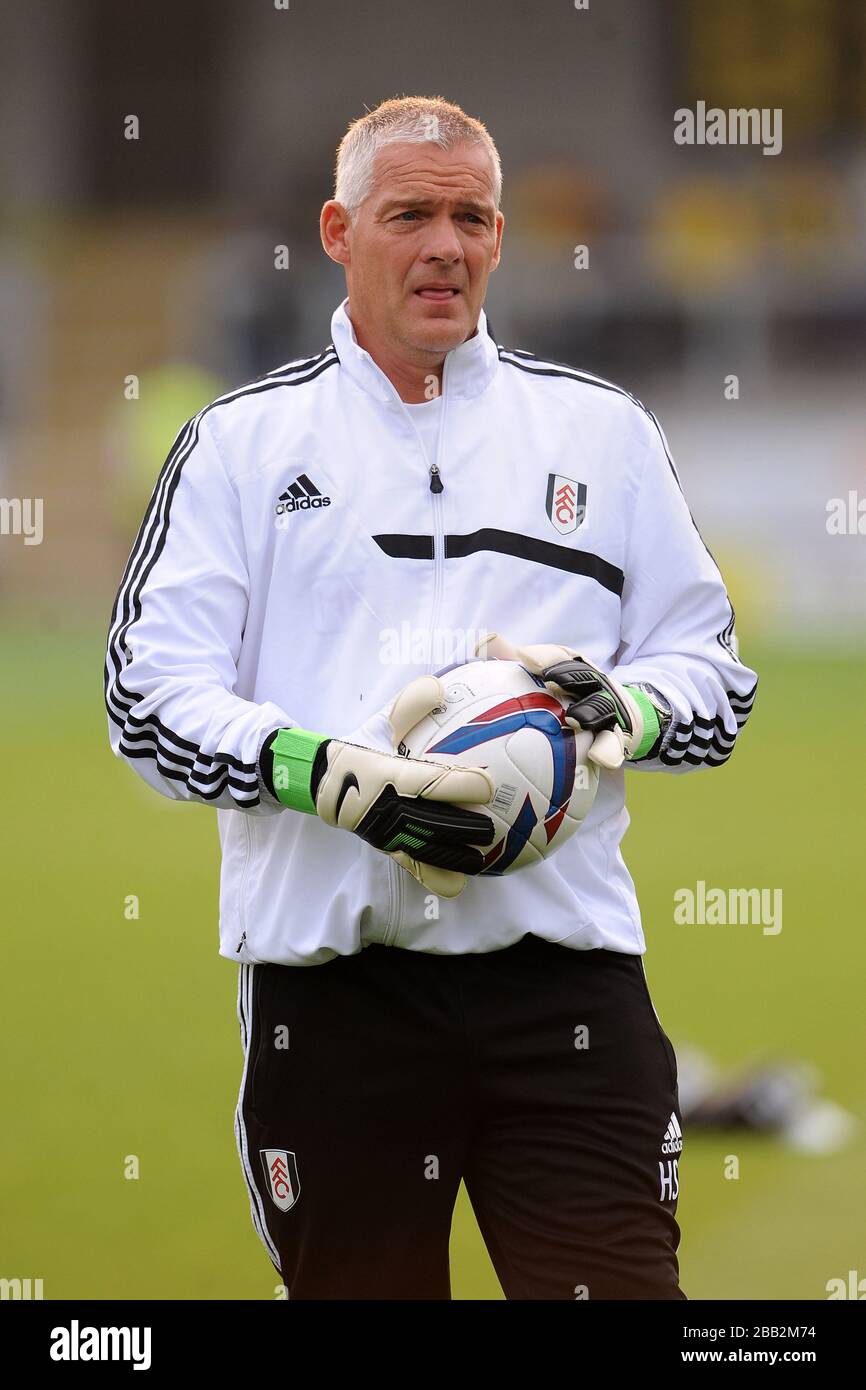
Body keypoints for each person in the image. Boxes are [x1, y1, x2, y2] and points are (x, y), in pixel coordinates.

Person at [104, 95, 758, 1300]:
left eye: (470, 217)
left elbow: (710, 675)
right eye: (408, 214)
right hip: (333, 1001)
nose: (443, 246)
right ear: (339, 230)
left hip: (565, 986)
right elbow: (147, 699)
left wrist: (606, 711)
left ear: (501, 237)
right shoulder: (240, 444)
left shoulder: (602, 434)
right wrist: (329, 775)